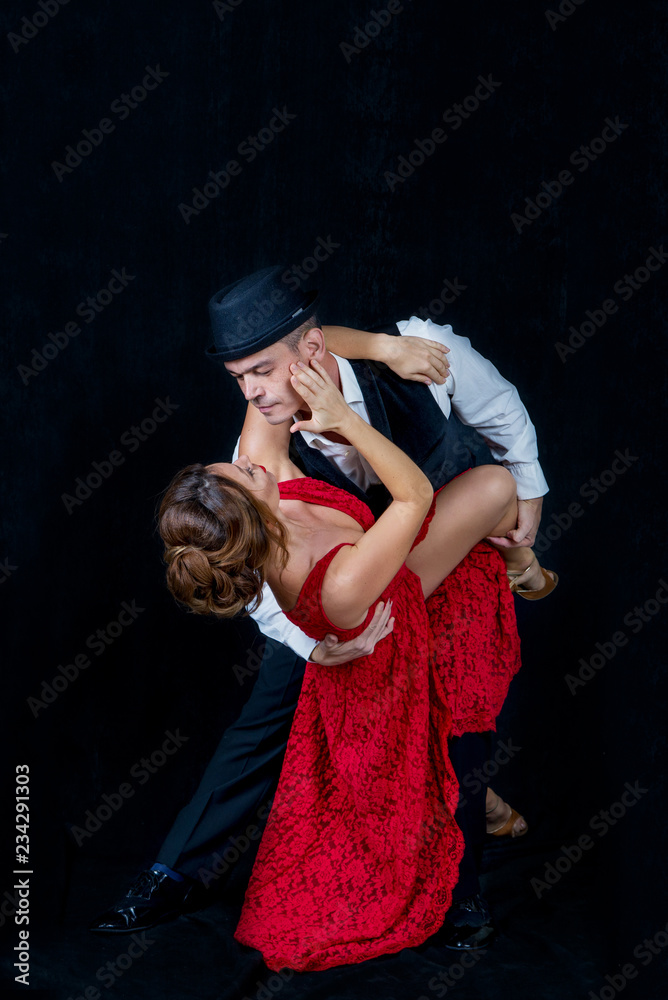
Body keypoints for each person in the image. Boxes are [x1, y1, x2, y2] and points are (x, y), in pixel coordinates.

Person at [90, 265, 552, 947]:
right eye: (238, 376)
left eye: (260, 371)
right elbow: (252, 573)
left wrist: (531, 508)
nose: (251, 392)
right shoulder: (256, 448)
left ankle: (465, 890)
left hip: (433, 559)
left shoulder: (417, 350)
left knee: (458, 704)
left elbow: (502, 412)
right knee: (264, 724)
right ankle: (172, 873)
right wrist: (319, 646)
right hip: (344, 592)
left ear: (308, 351)